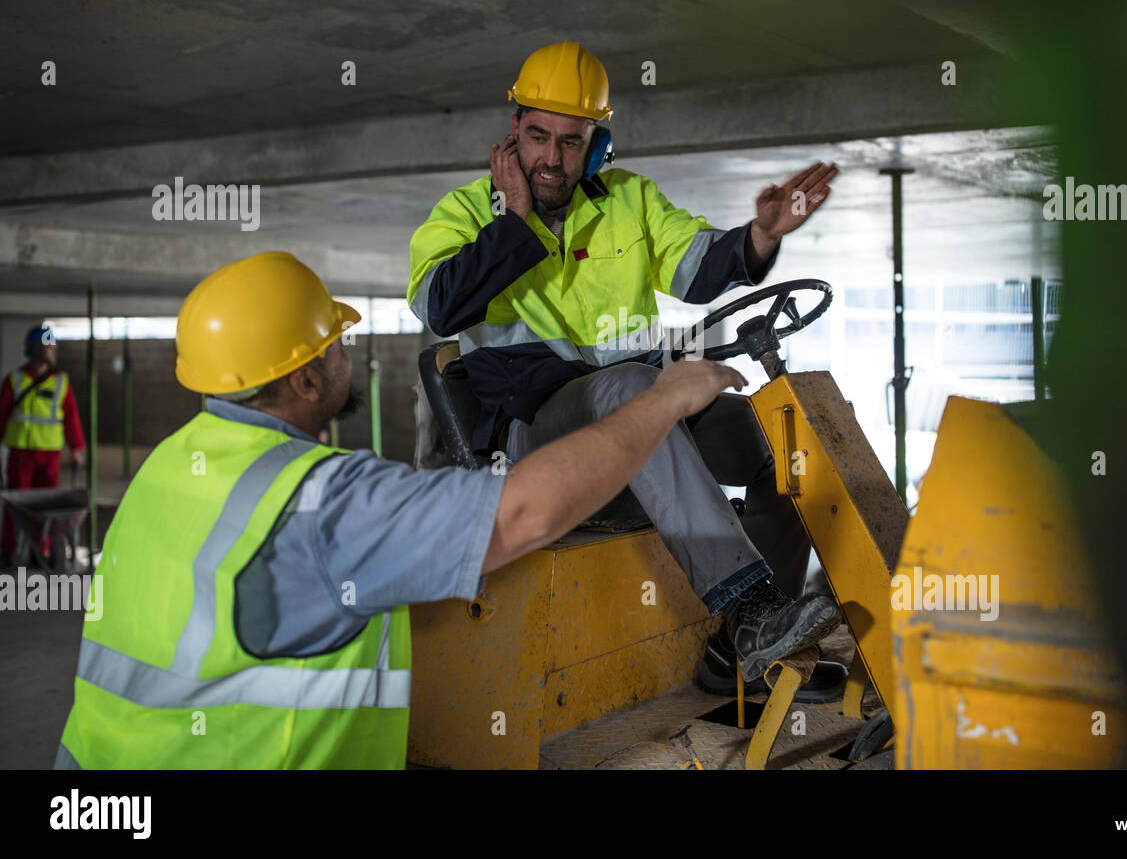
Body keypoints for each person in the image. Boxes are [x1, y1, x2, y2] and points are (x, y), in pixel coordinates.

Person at [55, 251, 745, 768]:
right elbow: (523, 514)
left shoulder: (170, 465)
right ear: (305, 378)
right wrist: (662, 399)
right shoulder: (326, 501)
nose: (347, 351)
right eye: (337, 343)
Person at [406, 40, 845, 688]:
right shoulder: (467, 213)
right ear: (512, 135)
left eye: (570, 141)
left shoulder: (630, 202)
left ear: (597, 142)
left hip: (640, 414)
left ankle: (744, 648)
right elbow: (440, 306)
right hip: (536, 433)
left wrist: (760, 237)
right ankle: (747, 604)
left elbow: (697, 268)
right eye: (537, 137)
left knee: (782, 445)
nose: (551, 158)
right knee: (641, 389)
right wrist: (516, 225)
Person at [0, 323, 86, 566]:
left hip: (49, 454)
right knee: (15, 505)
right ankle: (9, 550)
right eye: (50, 345)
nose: (54, 350)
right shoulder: (14, 380)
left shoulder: (61, 382)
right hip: (21, 453)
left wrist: (77, 449)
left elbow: (71, 417)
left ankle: (41, 551)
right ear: (36, 349)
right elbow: (1, 415)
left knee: (47, 509)